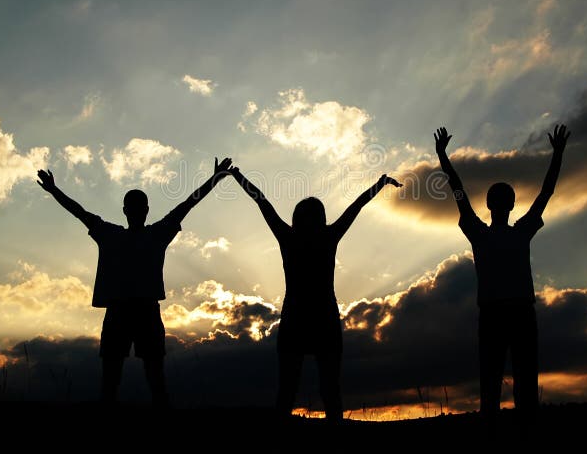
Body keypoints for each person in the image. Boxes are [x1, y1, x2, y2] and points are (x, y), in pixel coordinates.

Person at [36, 157, 233, 406]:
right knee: (123, 377)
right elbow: (80, 212)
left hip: (137, 311)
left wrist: (214, 179)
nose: (137, 210)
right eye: (135, 206)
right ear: (133, 210)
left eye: (138, 206)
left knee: (141, 377)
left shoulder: (131, 234)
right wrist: (54, 190)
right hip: (128, 312)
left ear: (133, 210)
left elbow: (187, 205)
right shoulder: (131, 234)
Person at [229, 166, 401, 423]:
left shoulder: (290, 236)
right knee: (328, 390)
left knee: (290, 390)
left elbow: (261, 201)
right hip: (322, 317)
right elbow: (356, 207)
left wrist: (237, 176)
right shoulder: (326, 235)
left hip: (298, 318)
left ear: (297, 217)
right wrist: (379, 185)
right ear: (320, 217)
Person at [433, 124, 570, 427]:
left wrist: (444, 156)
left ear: (496, 204)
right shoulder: (506, 233)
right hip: (505, 313)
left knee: (507, 384)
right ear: (508, 204)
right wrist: (443, 158)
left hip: (511, 312)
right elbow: (546, 192)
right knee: (500, 384)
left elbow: (459, 192)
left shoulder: (499, 233)